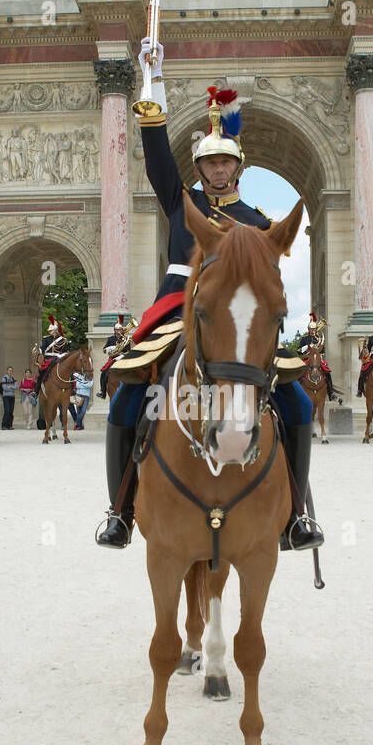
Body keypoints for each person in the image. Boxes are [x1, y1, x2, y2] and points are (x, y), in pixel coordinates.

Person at [97, 49, 322, 552]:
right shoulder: (181, 202)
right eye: (208, 162)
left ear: (238, 166)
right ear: (198, 167)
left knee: (300, 403)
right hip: (178, 307)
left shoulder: (261, 220)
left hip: (239, 322)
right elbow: (155, 154)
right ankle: (120, 511)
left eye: (225, 161)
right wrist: (152, 81)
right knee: (127, 399)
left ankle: (297, 515)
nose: (217, 169)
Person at [297, 312, 341, 402]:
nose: (313, 330)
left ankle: (331, 393)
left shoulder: (319, 339)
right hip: (307, 359)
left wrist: (319, 355)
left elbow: (323, 352)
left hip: (317, 359)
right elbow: (299, 351)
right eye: (311, 329)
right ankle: (296, 392)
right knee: (299, 372)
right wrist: (307, 347)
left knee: (327, 372)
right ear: (308, 329)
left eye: (314, 329)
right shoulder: (304, 339)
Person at [99, 313, 132, 399]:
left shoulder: (126, 340)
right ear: (114, 330)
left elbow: (129, 351)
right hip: (113, 358)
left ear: (122, 330)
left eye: (119, 330)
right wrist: (109, 348)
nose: (118, 332)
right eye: (116, 330)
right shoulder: (111, 339)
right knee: (103, 373)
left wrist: (121, 353)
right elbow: (104, 350)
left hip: (123, 358)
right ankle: (102, 391)